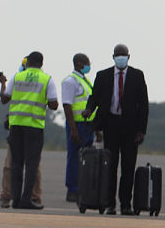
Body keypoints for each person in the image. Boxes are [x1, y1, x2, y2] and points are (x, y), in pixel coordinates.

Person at [85, 43, 149, 215]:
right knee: (110, 167)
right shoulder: (103, 75)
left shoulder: (137, 75)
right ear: (113, 57)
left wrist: (141, 130)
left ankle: (126, 204)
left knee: (128, 167)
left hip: (130, 127)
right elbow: (94, 98)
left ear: (129, 57)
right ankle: (109, 203)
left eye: (123, 55)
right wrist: (89, 110)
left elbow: (143, 105)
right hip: (110, 124)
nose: (120, 58)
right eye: (117, 55)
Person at [0, 50, 58, 210]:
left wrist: (3, 83)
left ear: (27, 63)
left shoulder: (17, 77)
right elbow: (54, 104)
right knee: (32, 165)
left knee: (16, 163)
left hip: (16, 125)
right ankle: (27, 199)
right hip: (34, 126)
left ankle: (15, 200)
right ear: (41, 63)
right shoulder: (47, 80)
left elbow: (4, 98)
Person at [60, 53, 96, 203]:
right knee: (74, 157)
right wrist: (73, 129)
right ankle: (72, 189)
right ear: (80, 63)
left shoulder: (84, 81)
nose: (89, 65)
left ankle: (83, 188)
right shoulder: (70, 81)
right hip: (77, 125)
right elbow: (67, 105)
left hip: (88, 125)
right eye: (88, 62)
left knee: (86, 159)